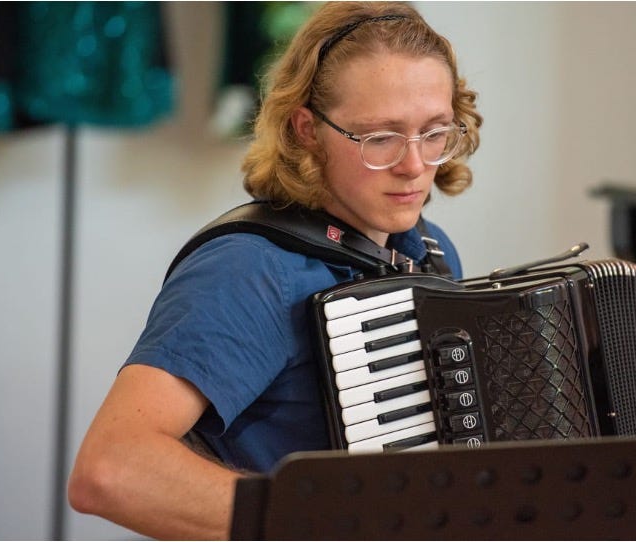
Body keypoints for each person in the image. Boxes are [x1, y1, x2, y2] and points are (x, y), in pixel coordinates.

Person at [67, 2, 482, 539]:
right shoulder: (252, 270)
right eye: (380, 137)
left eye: (434, 131)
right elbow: (111, 471)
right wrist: (334, 523)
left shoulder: (428, 249)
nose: (414, 164)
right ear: (307, 128)